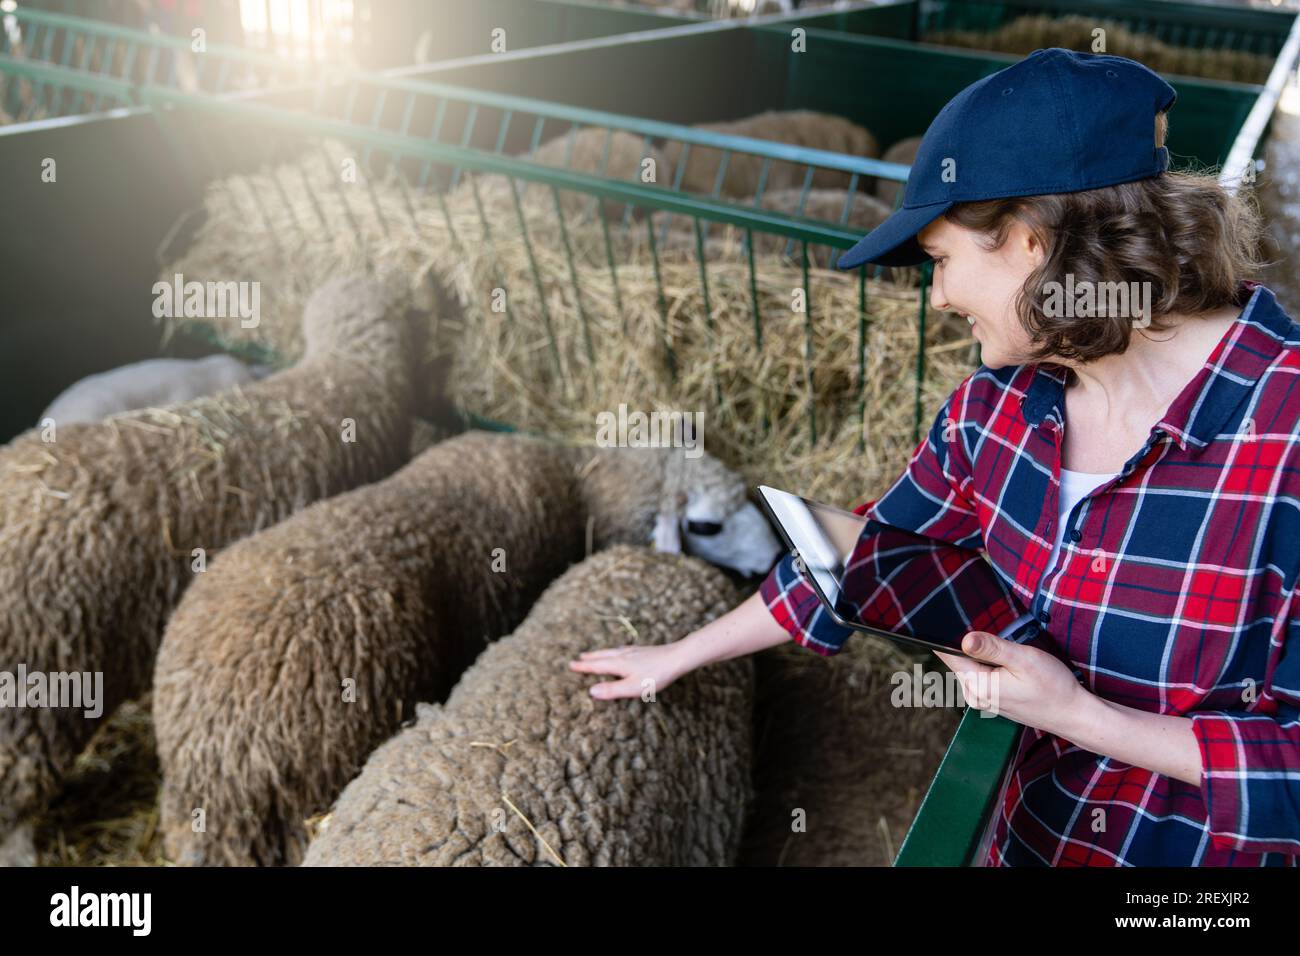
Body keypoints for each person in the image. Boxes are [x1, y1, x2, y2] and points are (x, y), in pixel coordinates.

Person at [568, 47, 1300, 866]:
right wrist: (680, 654)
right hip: (1021, 839)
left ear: (1030, 241)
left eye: (943, 261)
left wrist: (1082, 717)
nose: (940, 297)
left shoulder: (1286, 432)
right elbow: (863, 560)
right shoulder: (993, 414)